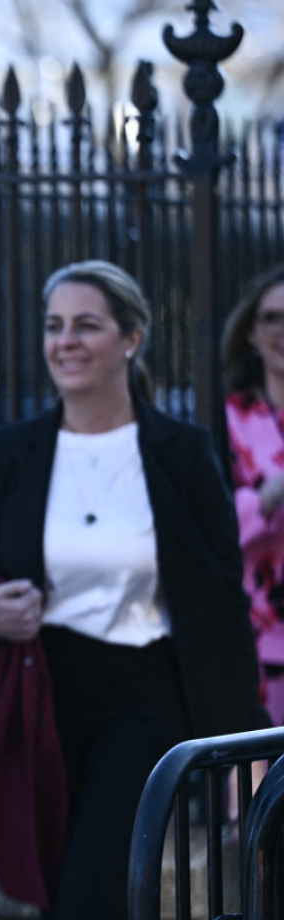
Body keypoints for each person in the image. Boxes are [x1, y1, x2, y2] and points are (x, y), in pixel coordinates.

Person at [0, 260, 264, 920]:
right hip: (44, 705)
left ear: (130, 338)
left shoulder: (176, 450)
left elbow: (220, 604)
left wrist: (245, 748)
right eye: (54, 325)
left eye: (86, 324)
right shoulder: (17, 448)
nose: (65, 342)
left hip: (144, 705)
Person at [223, 264, 284, 724]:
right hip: (260, 637)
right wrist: (268, 497)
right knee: (260, 787)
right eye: (271, 317)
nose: (283, 330)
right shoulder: (228, 418)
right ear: (251, 332)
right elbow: (214, 522)